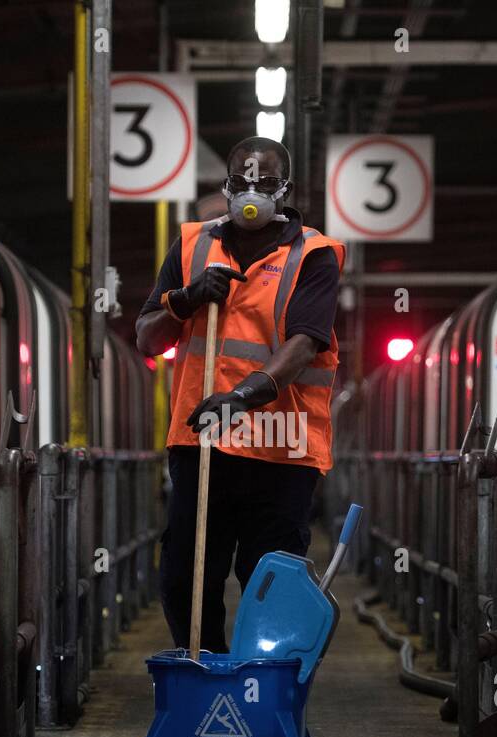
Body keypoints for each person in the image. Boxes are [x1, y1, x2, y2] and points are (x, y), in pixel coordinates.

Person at [136, 135, 345, 665]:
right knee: (185, 573)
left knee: (270, 582)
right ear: (226, 186)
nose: (252, 192)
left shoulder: (315, 255)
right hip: (202, 444)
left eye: (266, 183)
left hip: (281, 451)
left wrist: (241, 397)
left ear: (286, 190)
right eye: (242, 182)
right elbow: (147, 339)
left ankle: (263, 689)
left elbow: (304, 343)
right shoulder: (190, 246)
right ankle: (205, 677)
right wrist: (184, 299)